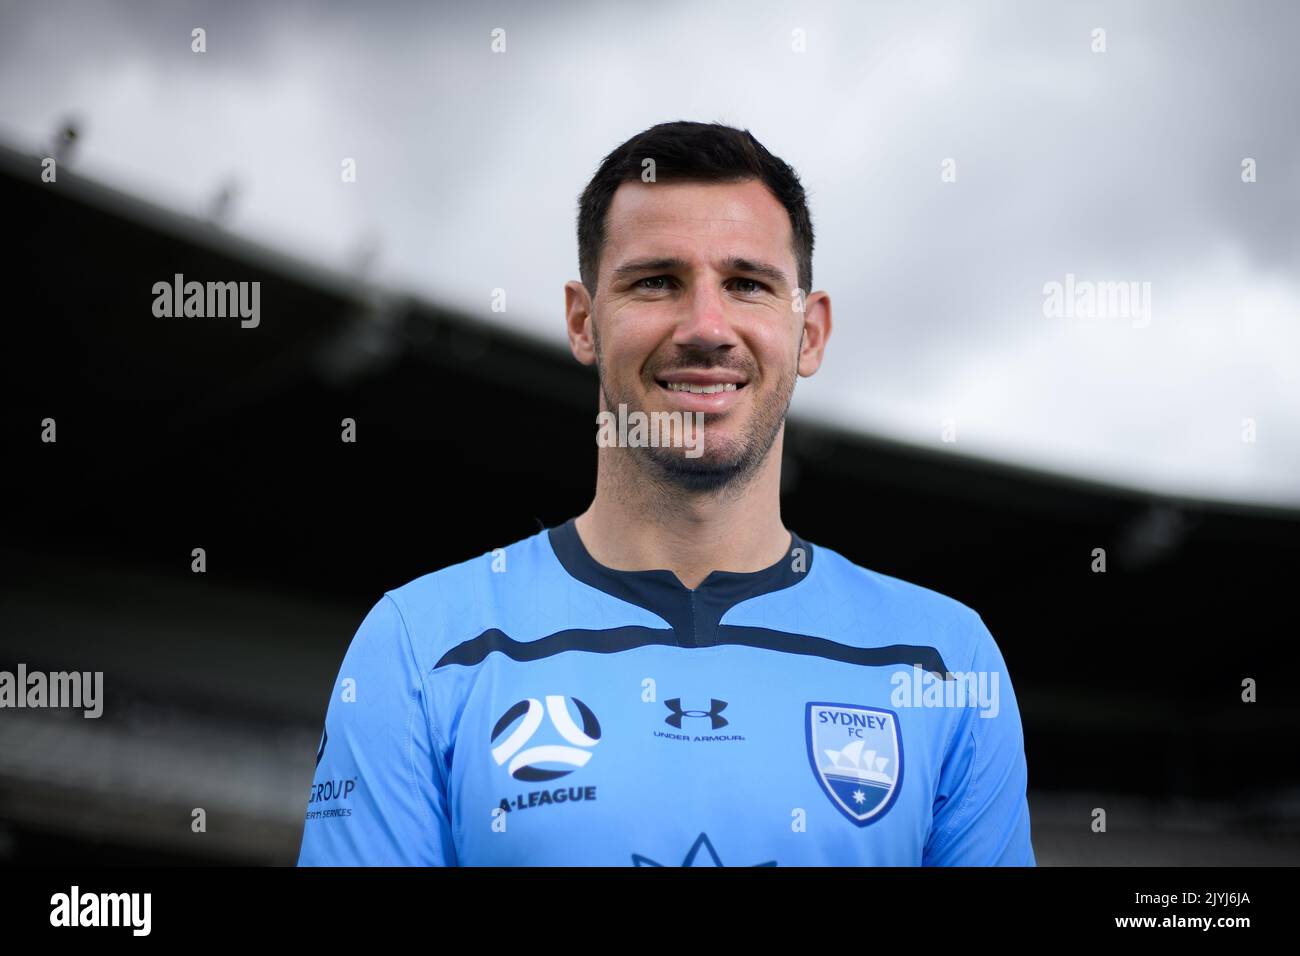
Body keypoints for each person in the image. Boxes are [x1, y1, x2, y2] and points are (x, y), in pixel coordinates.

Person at [297, 120, 1035, 866]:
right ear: (584, 323)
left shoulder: (944, 664)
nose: (706, 327)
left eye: (747, 283)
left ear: (809, 333)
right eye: (657, 281)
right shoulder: (423, 648)